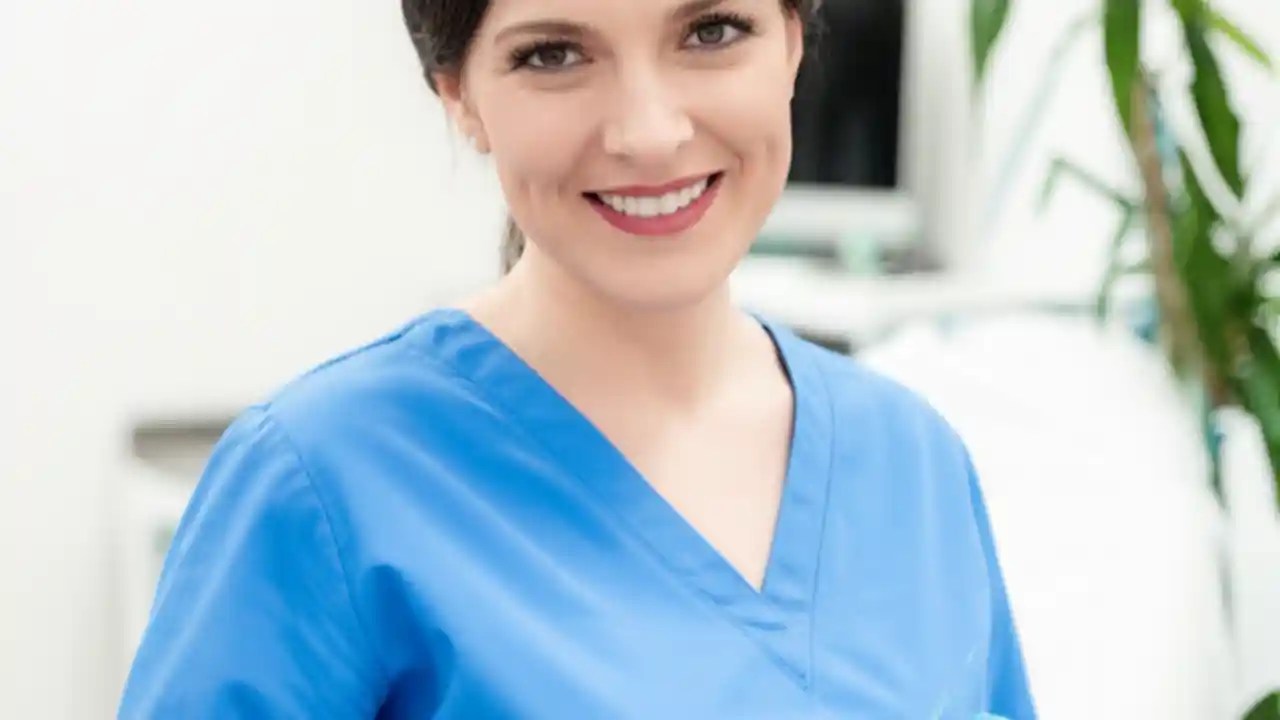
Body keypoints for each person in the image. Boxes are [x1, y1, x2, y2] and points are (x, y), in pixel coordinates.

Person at [118, 0, 1037, 717]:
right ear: (459, 95)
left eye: (713, 30)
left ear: (793, 44)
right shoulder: (321, 486)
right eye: (553, 54)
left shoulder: (913, 464)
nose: (648, 131)